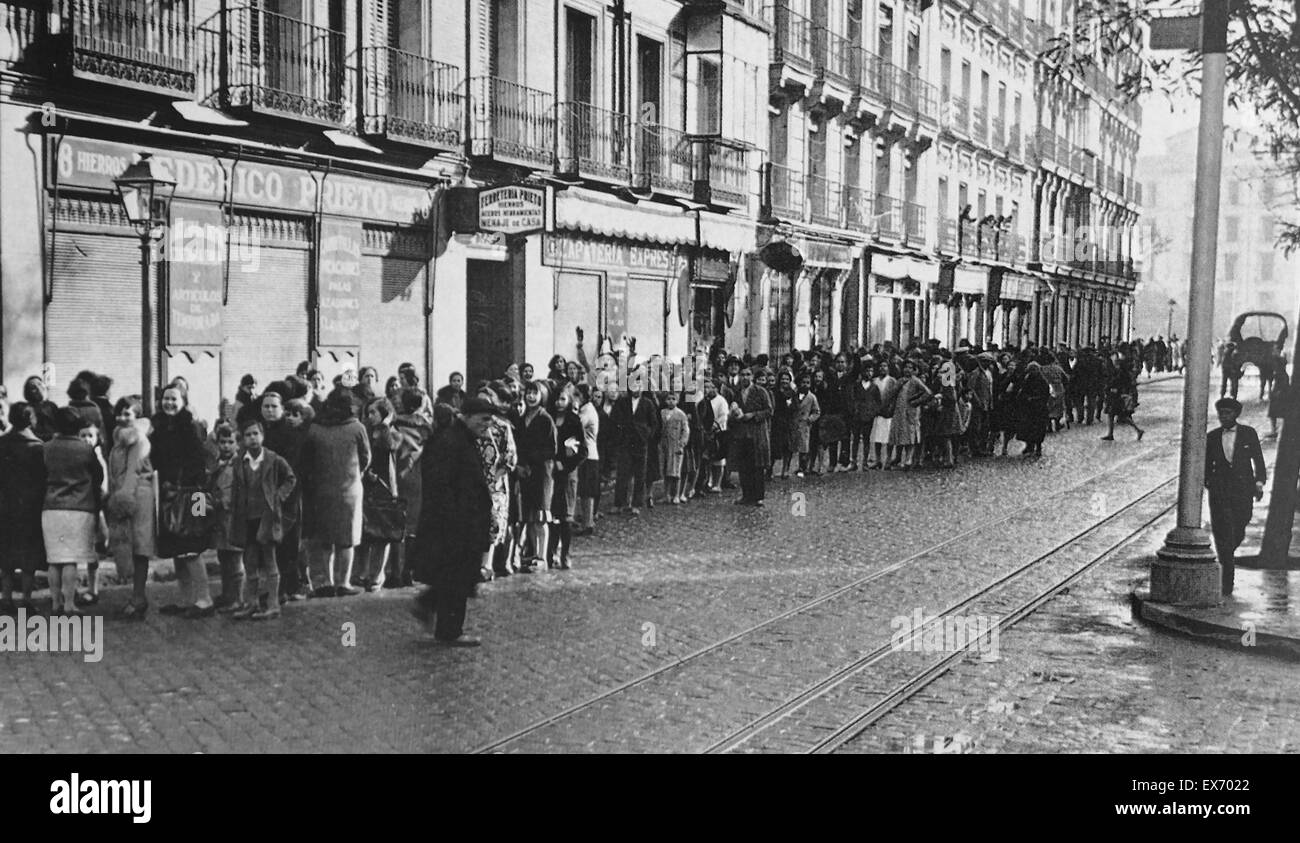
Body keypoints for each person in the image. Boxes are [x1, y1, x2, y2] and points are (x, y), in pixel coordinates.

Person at [409, 397, 497, 647]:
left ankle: (428, 605)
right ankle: (450, 631)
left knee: (455, 577)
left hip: (461, 523)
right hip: (455, 525)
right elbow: (442, 485)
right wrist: (455, 521)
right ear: (466, 416)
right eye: (483, 419)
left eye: (490, 420)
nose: (487, 425)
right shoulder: (451, 441)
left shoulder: (460, 438)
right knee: (456, 578)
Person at [151, 384, 217, 618]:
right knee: (178, 550)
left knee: (192, 548)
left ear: (184, 402)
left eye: (174, 399)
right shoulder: (159, 427)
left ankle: (204, 599)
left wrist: (199, 510)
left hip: (190, 495)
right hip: (170, 497)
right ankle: (187, 599)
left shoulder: (191, 428)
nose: (169, 403)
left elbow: (200, 468)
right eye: (166, 399)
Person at [301, 388, 371, 597]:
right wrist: (355, 473)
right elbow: (366, 457)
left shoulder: (314, 429)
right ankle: (343, 582)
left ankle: (325, 582)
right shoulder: (357, 428)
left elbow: (308, 459)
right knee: (346, 538)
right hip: (350, 490)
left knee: (324, 539)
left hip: (321, 489)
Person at [228, 419, 297, 620]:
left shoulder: (273, 459)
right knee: (249, 561)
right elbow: (236, 489)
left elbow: (290, 478)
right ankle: (251, 602)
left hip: (267, 517)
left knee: (269, 560)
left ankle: (273, 604)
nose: (252, 439)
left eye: (255, 434)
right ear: (243, 439)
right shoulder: (240, 460)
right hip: (246, 518)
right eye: (248, 435)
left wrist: (279, 496)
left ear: (262, 436)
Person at [41, 407, 103, 616]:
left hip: (51, 508)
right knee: (70, 559)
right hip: (79, 509)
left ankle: (55, 603)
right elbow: (98, 477)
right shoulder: (86, 450)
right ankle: (69, 604)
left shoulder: (46, 448)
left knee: (54, 560)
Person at [1205, 397, 1267, 596]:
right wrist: (1209, 482)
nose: (1224, 417)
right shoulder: (1213, 437)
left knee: (1240, 525)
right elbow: (1206, 464)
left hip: (1243, 490)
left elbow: (1258, 458)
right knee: (1223, 531)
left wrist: (1259, 482)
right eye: (1221, 413)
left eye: (1228, 413)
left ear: (1236, 415)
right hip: (1220, 492)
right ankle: (1227, 583)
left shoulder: (1249, 433)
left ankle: (1226, 553)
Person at [0, 403, 46, 614]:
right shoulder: (39, 447)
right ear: (32, 420)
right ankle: (27, 599)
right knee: (29, 556)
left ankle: (6, 598)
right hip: (31, 507)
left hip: (5, 506)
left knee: (6, 555)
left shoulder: (2, 444)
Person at [516, 380, 556, 572]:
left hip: (541, 473)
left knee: (540, 517)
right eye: (528, 393)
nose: (531, 396)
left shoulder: (545, 419)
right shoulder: (522, 418)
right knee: (530, 517)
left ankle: (542, 556)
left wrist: (533, 460)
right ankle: (533, 554)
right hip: (525, 473)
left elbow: (552, 449)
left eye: (534, 393)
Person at [207, 422, 246, 614]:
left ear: (237, 444)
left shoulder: (240, 465)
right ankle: (226, 594)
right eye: (223, 442)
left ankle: (237, 598)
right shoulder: (216, 464)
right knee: (223, 557)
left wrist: (222, 502)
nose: (226, 446)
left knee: (235, 559)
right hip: (220, 518)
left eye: (230, 442)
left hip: (234, 517)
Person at [547, 384, 586, 568]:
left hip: (568, 473)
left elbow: (581, 451)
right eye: (557, 399)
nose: (559, 403)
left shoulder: (573, 421)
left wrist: (566, 465)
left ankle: (566, 554)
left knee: (566, 517)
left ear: (569, 400)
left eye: (563, 399)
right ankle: (552, 552)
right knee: (553, 514)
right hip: (551, 472)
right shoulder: (550, 419)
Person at [730, 367, 773, 505]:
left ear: (752, 376)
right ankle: (746, 495)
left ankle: (758, 497)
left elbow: (769, 410)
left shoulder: (760, 391)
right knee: (744, 467)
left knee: (757, 466)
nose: (745, 377)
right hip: (742, 434)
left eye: (748, 375)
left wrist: (753, 415)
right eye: (742, 375)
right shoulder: (736, 393)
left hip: (757, 433)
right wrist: (735, 414)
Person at [1101, 354, 1145, 442]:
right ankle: (1110, 433)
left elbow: (1121, 384)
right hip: (1115, 395)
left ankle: (1138, 430)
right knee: (1112, 414)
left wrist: (1115, 389)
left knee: (1121, 415)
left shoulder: (1121, 373)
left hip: (1117, 396)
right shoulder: (1121, 372)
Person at [658, 391, 689, 504]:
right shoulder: (662, 412)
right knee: (666, 471)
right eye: (669, 399)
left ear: (677, 401)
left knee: (676, 472)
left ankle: (676, 494)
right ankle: (666, 494)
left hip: (676, 445)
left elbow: (685, 431)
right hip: (664, 445)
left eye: (673, 399)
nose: (671, 401)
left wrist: (682, 444)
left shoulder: (681, 414)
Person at [792, 371, 820, 478]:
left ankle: (803, 467)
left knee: (804, 448)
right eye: (803, 382)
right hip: (795, 424)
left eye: (808, 383)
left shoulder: (812, 397)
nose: (805, 385)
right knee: (794, 446)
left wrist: (810, 419)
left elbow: (817, 411)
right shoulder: (794, 395)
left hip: (805, 425)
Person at [23, 376, 58, 442]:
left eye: (39, 384)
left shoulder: (52, 406)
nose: (39, 389)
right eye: (33, 388)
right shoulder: (27, 409)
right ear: (28, 393)